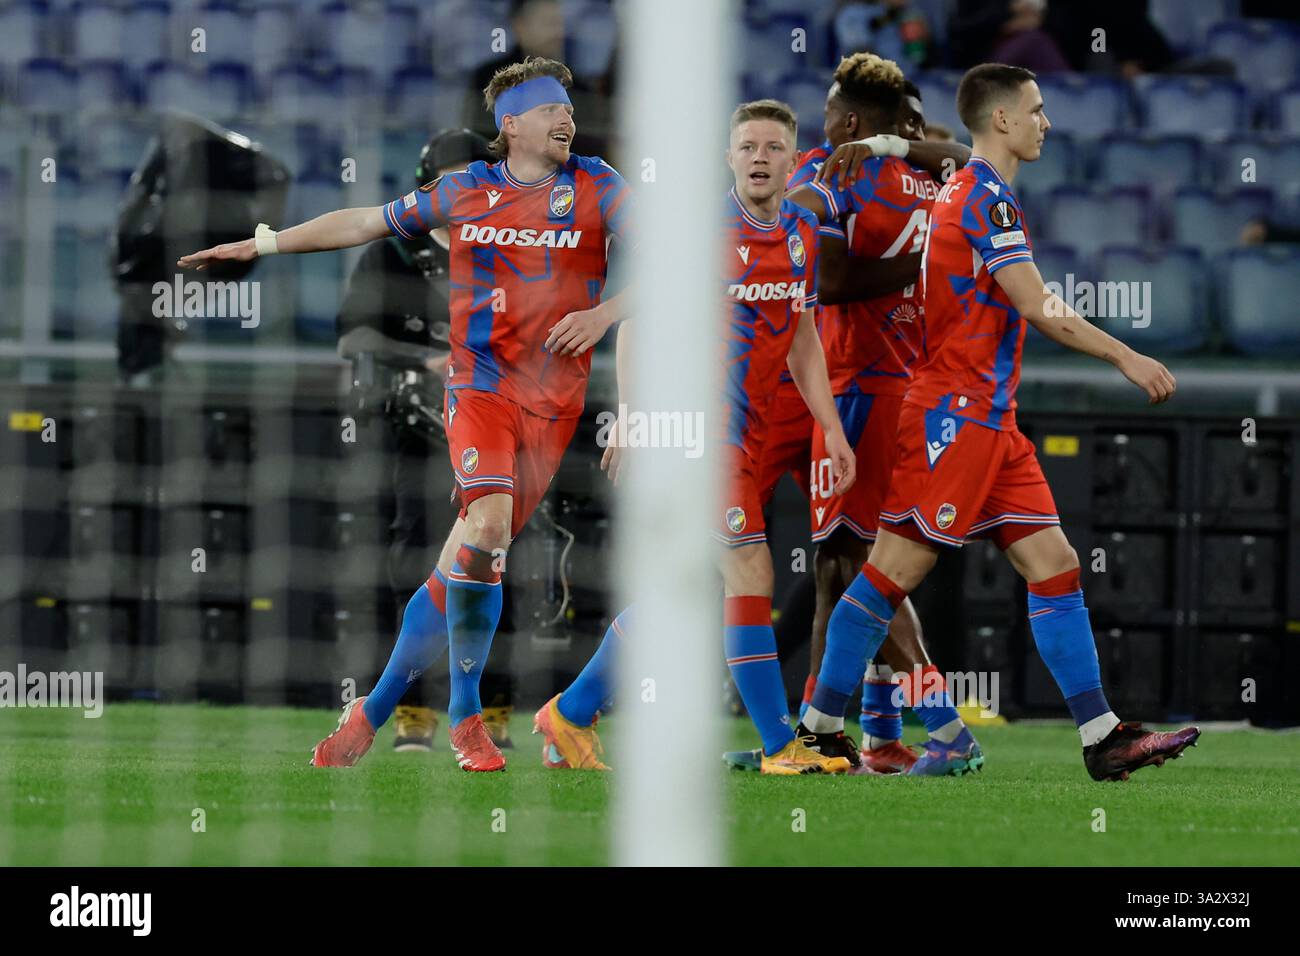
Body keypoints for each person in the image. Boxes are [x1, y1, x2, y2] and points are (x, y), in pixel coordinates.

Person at [179, 55, 632, 772]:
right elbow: (362, 221)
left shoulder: (599, 185)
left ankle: (375, 709)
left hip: (556, 405)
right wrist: (262, 243)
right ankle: (466, 720)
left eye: (570, 110)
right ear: (510, 125)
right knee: (484, 527)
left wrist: (605, 312)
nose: (567, 120)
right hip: (480, 389)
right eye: (552, 110)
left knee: (469, 558)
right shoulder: (466, 191)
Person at [801, 63, 1200, 782]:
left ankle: (1102, 736)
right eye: (1037, 110)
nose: (1047, 121)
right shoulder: (983, 200)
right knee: (891, 571)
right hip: (955, 413)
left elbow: (952, 155)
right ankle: (818, 732)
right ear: (1005, 121)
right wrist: (1125, 355)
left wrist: (895, 147)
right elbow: (1038, 305)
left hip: (991, 417)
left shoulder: (974, 186)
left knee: (1055, 566)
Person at [531, 100, 860, 775]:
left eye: (773, 147)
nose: (760, 157)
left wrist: (830, 425)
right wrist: (628, 414)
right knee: (750, 571)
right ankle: (778, 744)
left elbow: (800, 336)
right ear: (729, 157)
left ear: (792, 160)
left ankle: (569, 712)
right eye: (747, 147)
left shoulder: (800, 230)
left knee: (687, 587)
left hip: (750, 431)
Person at [772, 54, 985, 776]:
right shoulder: (939, 178)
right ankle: (850, 737)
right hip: (922, 394)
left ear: (851, 122)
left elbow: (826, 277)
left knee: (859, 568)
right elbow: (967, 155)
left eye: (831, 115)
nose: (824, 127)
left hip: (863, 390)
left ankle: (945, 726)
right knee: (843, 569)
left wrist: (769, 212)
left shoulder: (847, 172)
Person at [335, 128, 515, 753]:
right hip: (414, 429)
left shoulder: (511, 245)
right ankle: (412, 711)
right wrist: (428, 361)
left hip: (498, 426)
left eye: (475, 176)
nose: (464, 191)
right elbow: (354, 340)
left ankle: (489, 710)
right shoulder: (393, 253)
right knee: (414, 552)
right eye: (449, 180)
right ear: (426, 186)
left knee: (494, 558)